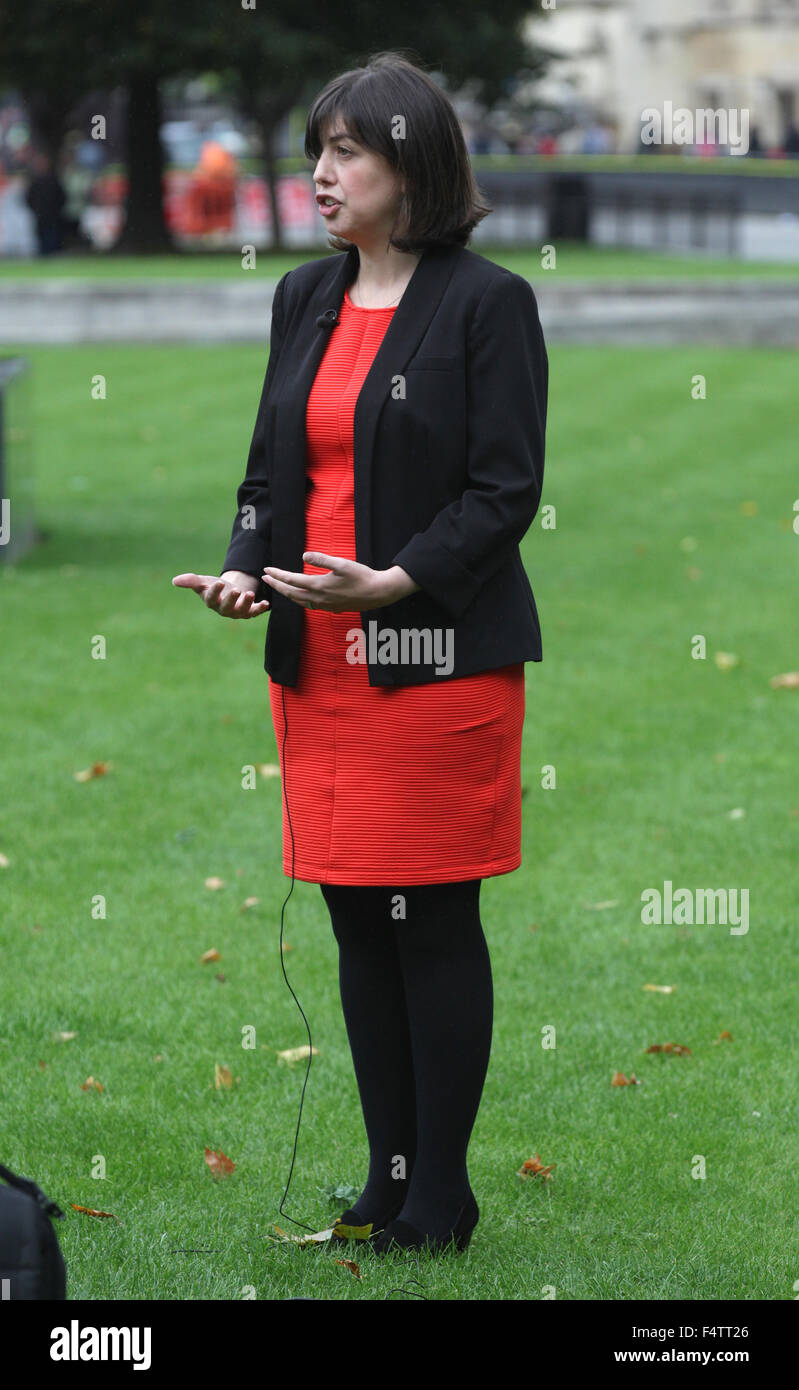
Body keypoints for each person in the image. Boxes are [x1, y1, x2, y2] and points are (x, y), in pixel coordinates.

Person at [172, 51, 548, 1257]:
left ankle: (442, 1190)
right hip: (319, 670)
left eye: (347, 152)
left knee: (430, 921)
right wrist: (244, 563)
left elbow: (505, 492)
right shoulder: (305, 295)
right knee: (352, 921)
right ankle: (387, 1178)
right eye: (317, 153)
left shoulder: (486, 303)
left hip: (433, 658)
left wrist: (395, 580)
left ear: (410, 166)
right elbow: (269, 474)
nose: (320, 175)